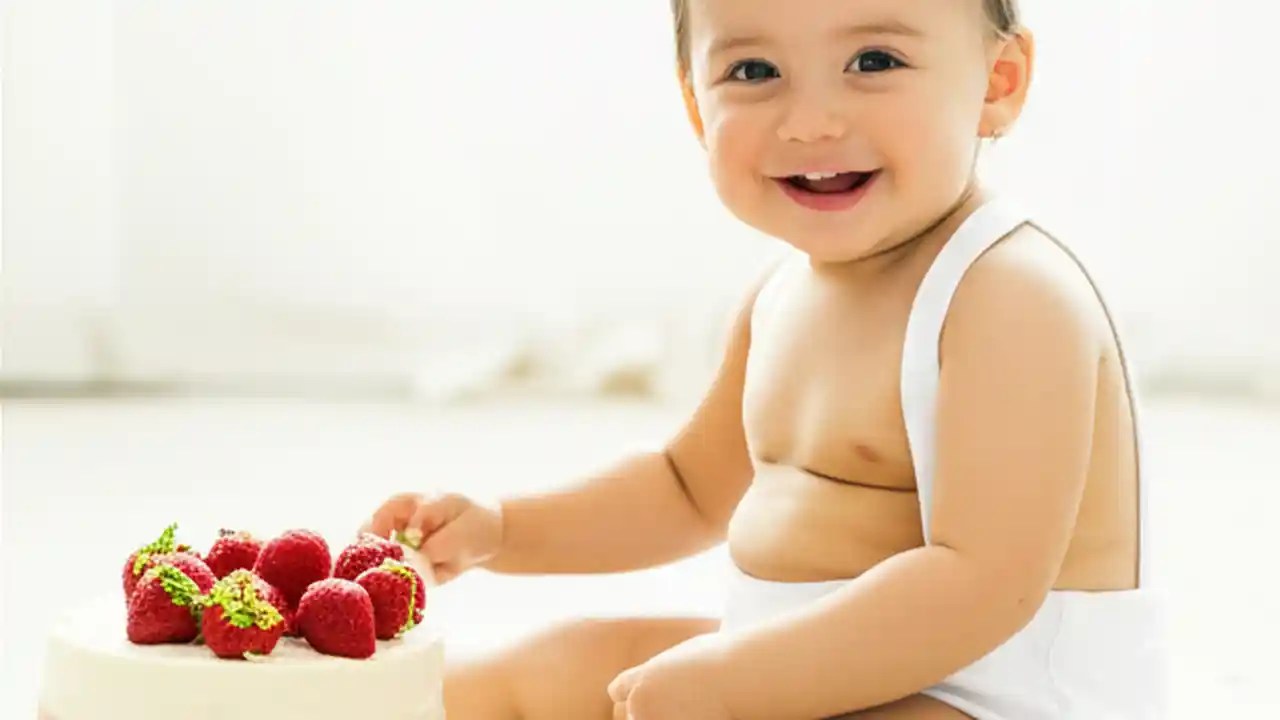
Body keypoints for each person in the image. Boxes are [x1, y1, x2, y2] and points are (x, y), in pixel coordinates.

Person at [364, 0, 1168, 717]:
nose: (810, 121)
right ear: (695, 105)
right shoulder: (781, 298)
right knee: (567, 665)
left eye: (873, 62)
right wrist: (506, 531)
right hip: (800, 672)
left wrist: (732, 682)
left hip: (991, 693)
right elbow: (686, 491)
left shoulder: (1010, 297)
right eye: (754, 71)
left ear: (998, 81)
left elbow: (983, 584)